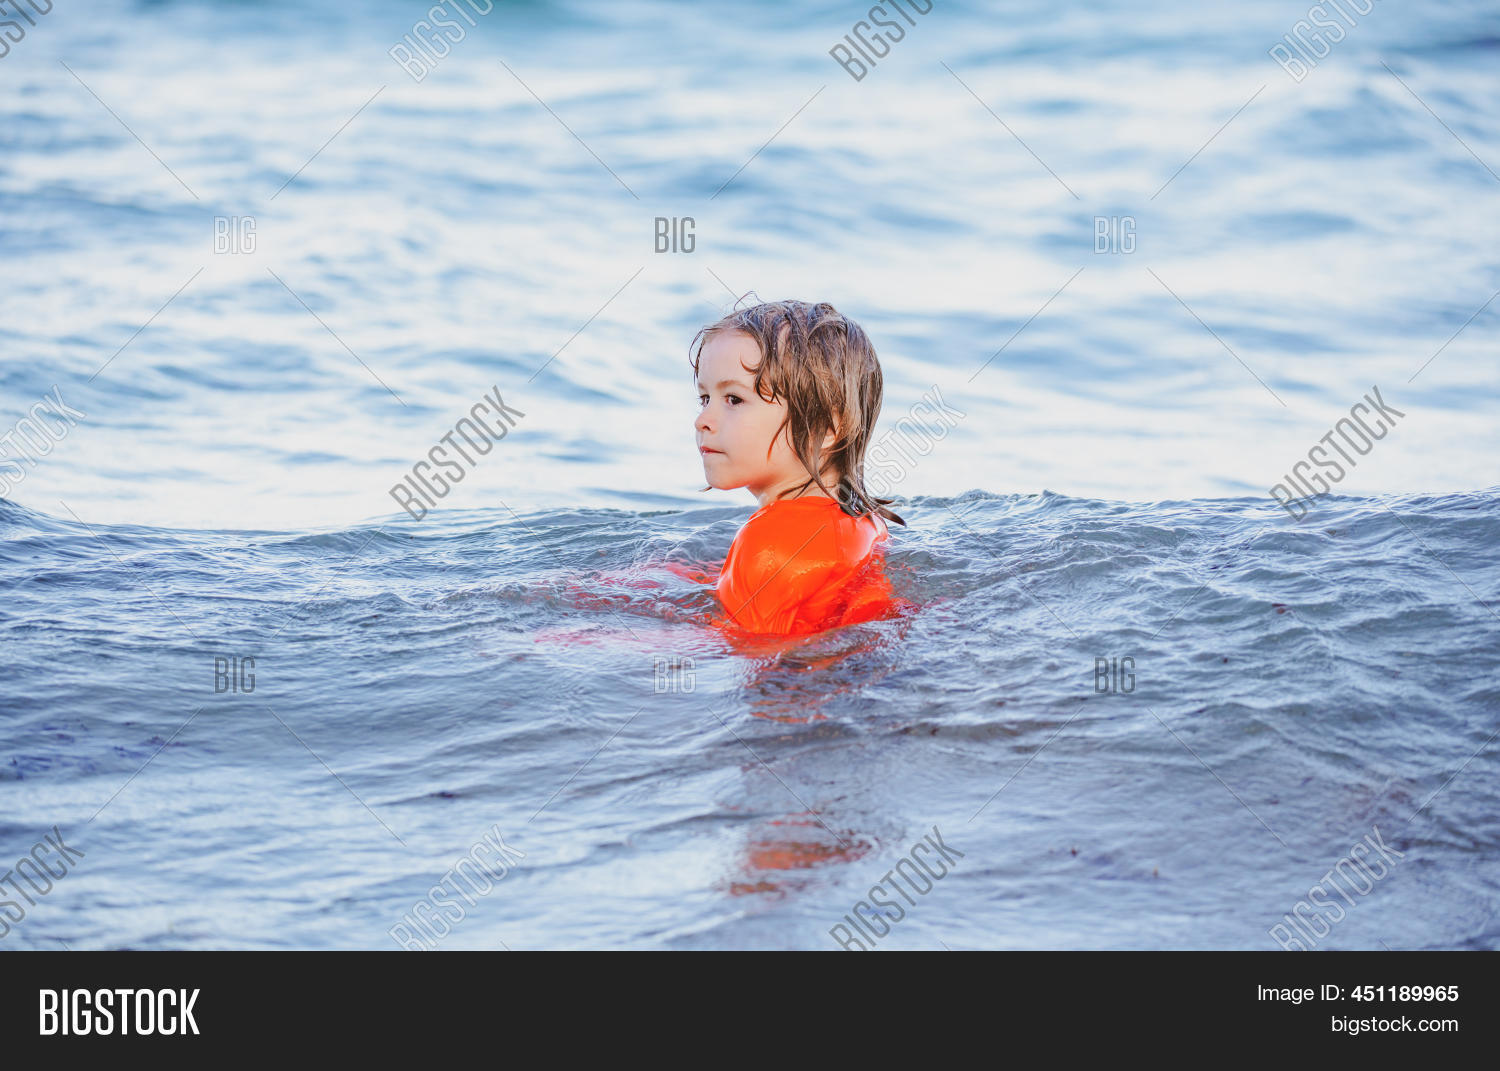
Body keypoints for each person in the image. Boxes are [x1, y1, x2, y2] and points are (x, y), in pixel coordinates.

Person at [691, 299, 911, 637]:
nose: (703, 420)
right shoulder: (861, 519)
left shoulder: (766, 543)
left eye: (734, 399)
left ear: (824, 428)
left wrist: (589, 637)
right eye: (705, 398)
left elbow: (747, 652)